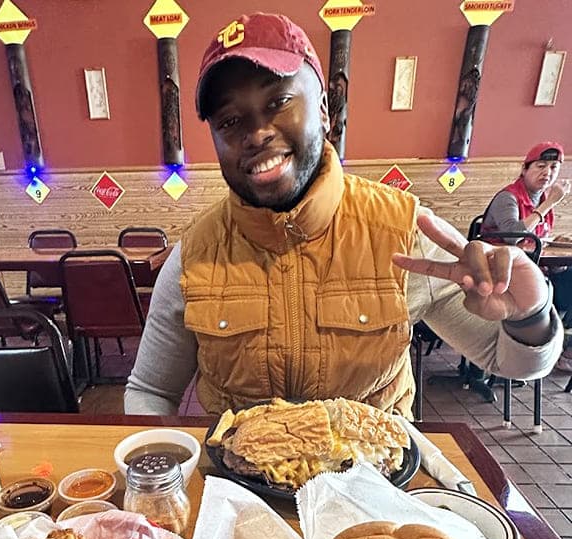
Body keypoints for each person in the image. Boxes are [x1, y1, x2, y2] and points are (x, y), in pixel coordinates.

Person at [125, 13, 562, 417]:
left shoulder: (405, 231)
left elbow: (509, 362)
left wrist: (531, 313)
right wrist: (166, 473)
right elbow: (150, 389)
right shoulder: (194, 255)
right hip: (242, 491)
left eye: (278, 101)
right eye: (229, 121)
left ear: (323, 110)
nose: (256, 133)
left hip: (376, 485)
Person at [482, 141, 572, 326]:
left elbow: (537, 242)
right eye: (540, 166)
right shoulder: (508, 197)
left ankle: (562, 336)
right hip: (502, 271)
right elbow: (513, 236)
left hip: (533, 267)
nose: (547, 173)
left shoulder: (543, 198)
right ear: (524, 169)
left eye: (554, 167)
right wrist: (548, 205)